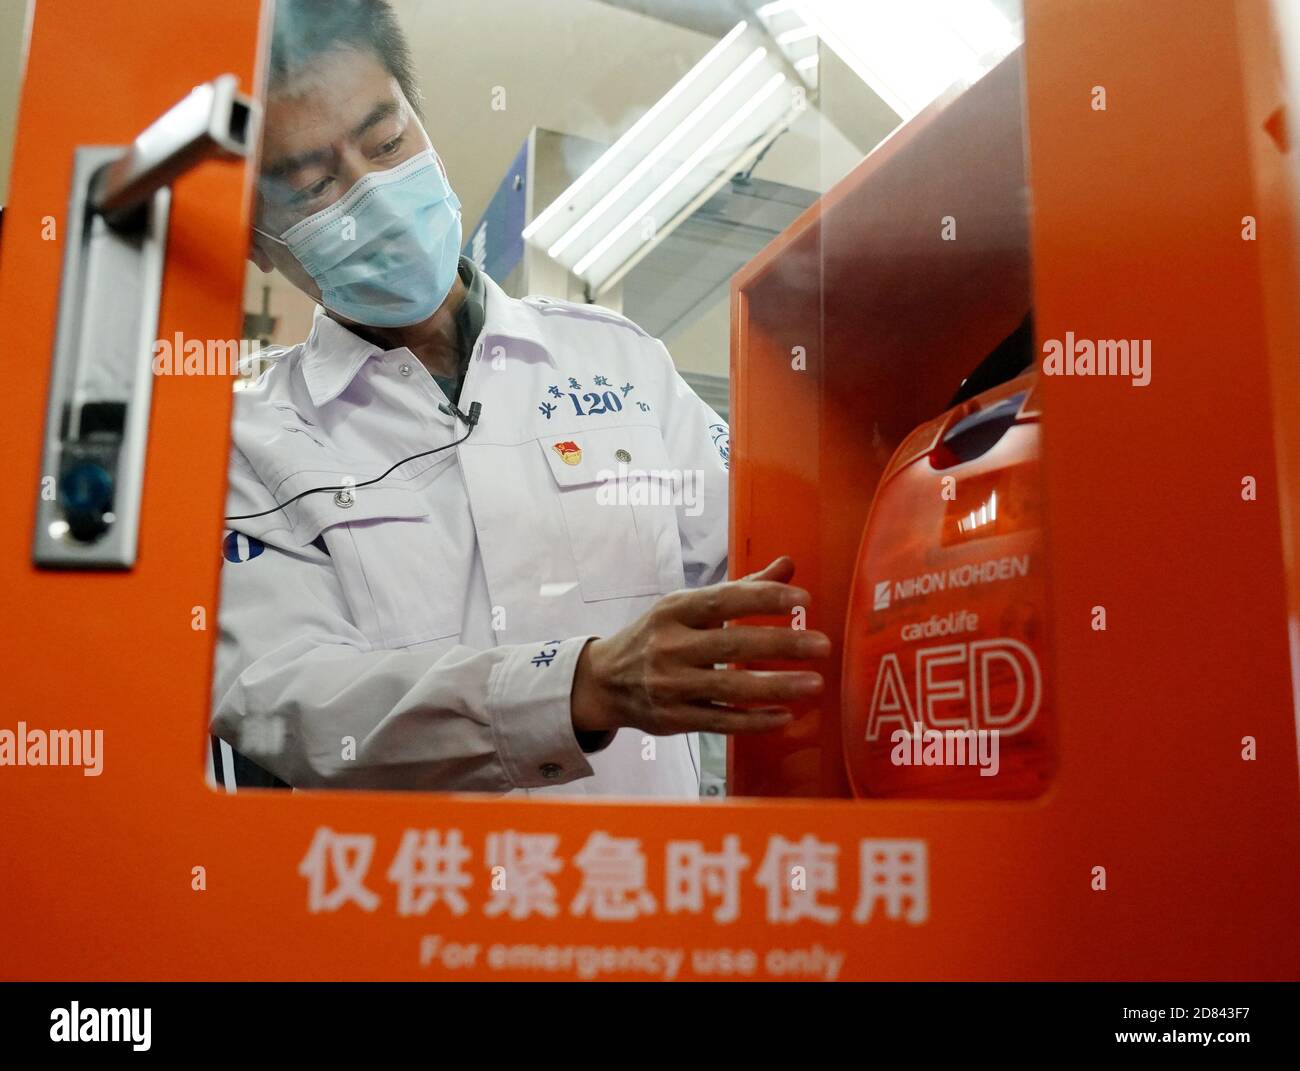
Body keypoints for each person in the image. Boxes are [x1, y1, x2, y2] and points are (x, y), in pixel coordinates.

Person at [210, 0, 828, 797]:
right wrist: (580, 686)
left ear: (422, 126)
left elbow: (772, 563)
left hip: (658, 897)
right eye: (314, 183)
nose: (372, 194)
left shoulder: (620, 361)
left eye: (387, 141)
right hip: (416, 907)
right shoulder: (254, 443)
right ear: (258, 240)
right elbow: (290, 705)